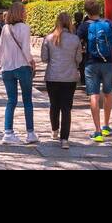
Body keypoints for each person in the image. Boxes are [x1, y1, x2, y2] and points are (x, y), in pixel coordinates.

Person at [77, 0, 112, 143]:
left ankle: (97, 131)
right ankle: (107, 125)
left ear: (87, 12)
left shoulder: (84, 26)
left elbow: (79, 44)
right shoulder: (109, 24)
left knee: (94, 95)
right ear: (99, 9)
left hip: (91, 63)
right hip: (108, 63)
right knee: (108, 93)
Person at [0, 2, 37, 144]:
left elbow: (0, 48)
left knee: (11, 101)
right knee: (27, 101)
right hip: (22, 67)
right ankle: (30, 133)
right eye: (24, 11)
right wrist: (31, 61)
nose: (25, 13)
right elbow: (25, 49)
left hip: (7, 68)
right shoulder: (25, 28)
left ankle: (8, 133)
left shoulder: (5, 28)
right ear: (20, 12)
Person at [40, 12, 80, 148]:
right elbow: (79, 59)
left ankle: (54, 130)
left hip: (52, 76)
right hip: (69, 77)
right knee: (66, 108)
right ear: (69, 23)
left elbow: (44, 58)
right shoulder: (75, 39)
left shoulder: (49, 38)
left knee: (54, 105)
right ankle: (65, 139)